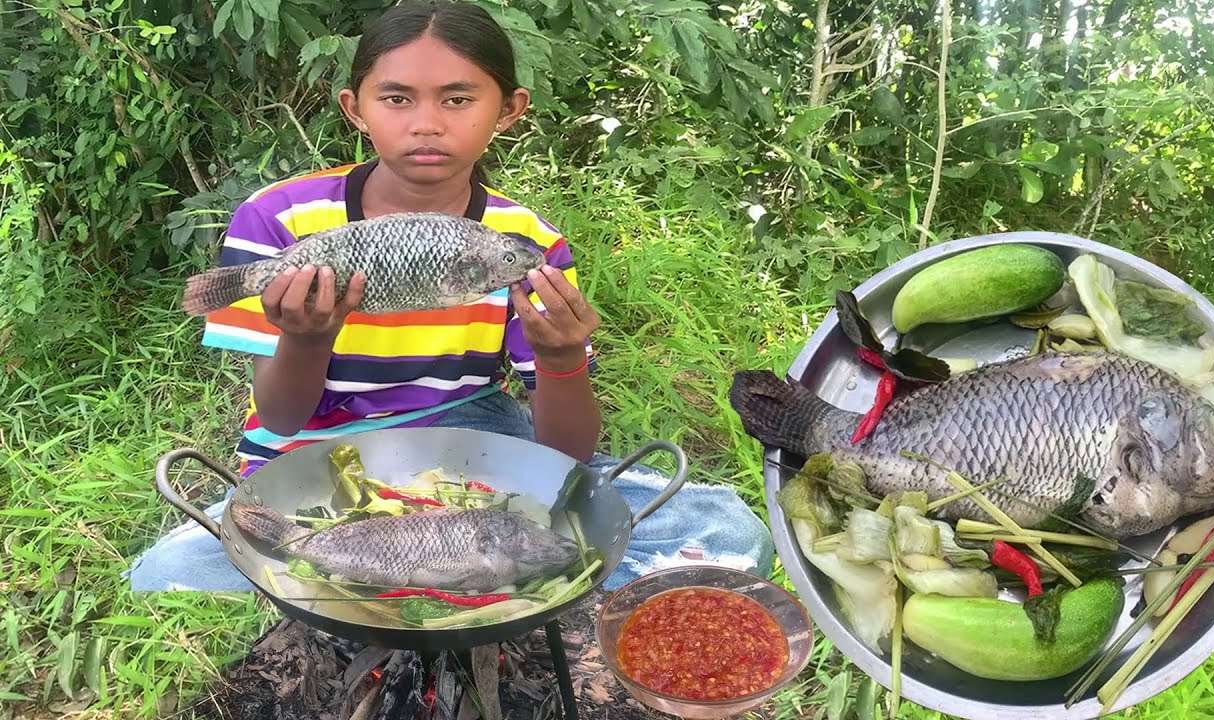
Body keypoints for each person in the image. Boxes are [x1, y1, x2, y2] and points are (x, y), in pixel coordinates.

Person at [126, 0, 772, 592]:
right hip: (314, 458)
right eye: (398, 99)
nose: (427, 124)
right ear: (356, 108)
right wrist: (308, 336)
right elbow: (283, 418)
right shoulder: (280, 218)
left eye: (458, 99)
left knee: (727, 534)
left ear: (508, 109)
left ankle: (392, 580)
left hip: (474, 442)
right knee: (168, 575)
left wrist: (563, 359)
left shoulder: (524, 242)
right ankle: (454, 580)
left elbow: (564, 454)